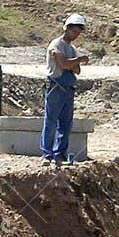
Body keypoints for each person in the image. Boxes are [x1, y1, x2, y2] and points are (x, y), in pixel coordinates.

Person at [42, 14, 91, 165]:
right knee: (51, 121)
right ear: (67, 29)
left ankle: (60, 153)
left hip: (68, 88)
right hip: (56, 87)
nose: (76, 35)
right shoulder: (57, 44)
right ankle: (47, 154)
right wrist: (78, 60)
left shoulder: (71, 48)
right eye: (74, 31)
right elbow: (63, 64)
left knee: (65, 123)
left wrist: (74, 63)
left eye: (78, 33)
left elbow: (76, 70)